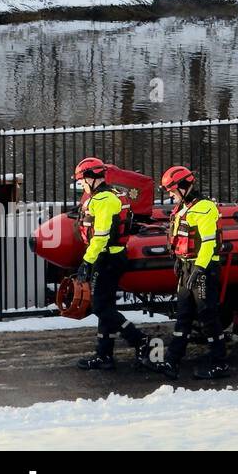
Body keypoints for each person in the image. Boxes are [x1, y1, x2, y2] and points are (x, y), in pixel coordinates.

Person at [73, 157, 152, 370]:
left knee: (100, 306)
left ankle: (139, 340)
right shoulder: (106, 197)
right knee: (105, 305)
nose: (81, 185)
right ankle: (104, 354)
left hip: (108, 258)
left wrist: (87, 262)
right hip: (107, 256)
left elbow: (101, 235)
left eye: (82, 181)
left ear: (91, 178)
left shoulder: (105, 200)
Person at [152, 166, 228, 380]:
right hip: (187, 266)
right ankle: (172, 360)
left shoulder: (204, 208)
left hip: (202, 268)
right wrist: (179, 259)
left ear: (183, 187)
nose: (169, 194)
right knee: (183, 315)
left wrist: (199, 268)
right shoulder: (184, 208)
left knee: (208, 316)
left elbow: (208, 243)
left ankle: (219, 363)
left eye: (171, 189)